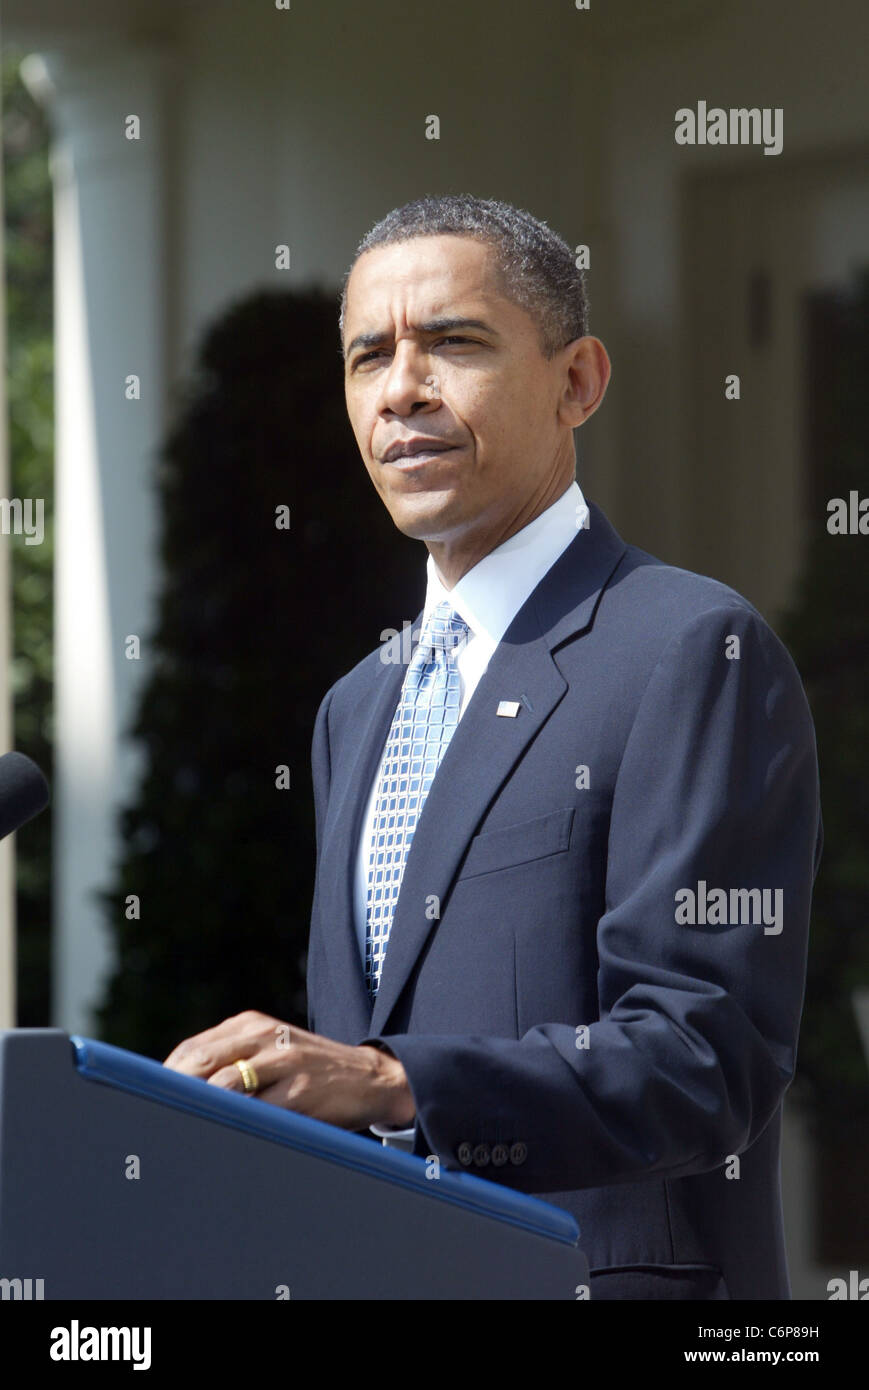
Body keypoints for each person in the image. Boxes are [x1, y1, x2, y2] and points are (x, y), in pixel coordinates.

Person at [164, 195, 822, 1300]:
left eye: (452, 343)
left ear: (576, 383)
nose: (400, 389)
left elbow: (703, 1061)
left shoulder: (686, 648)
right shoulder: (355, 707)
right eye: (367, 355)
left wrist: (386, 1079)